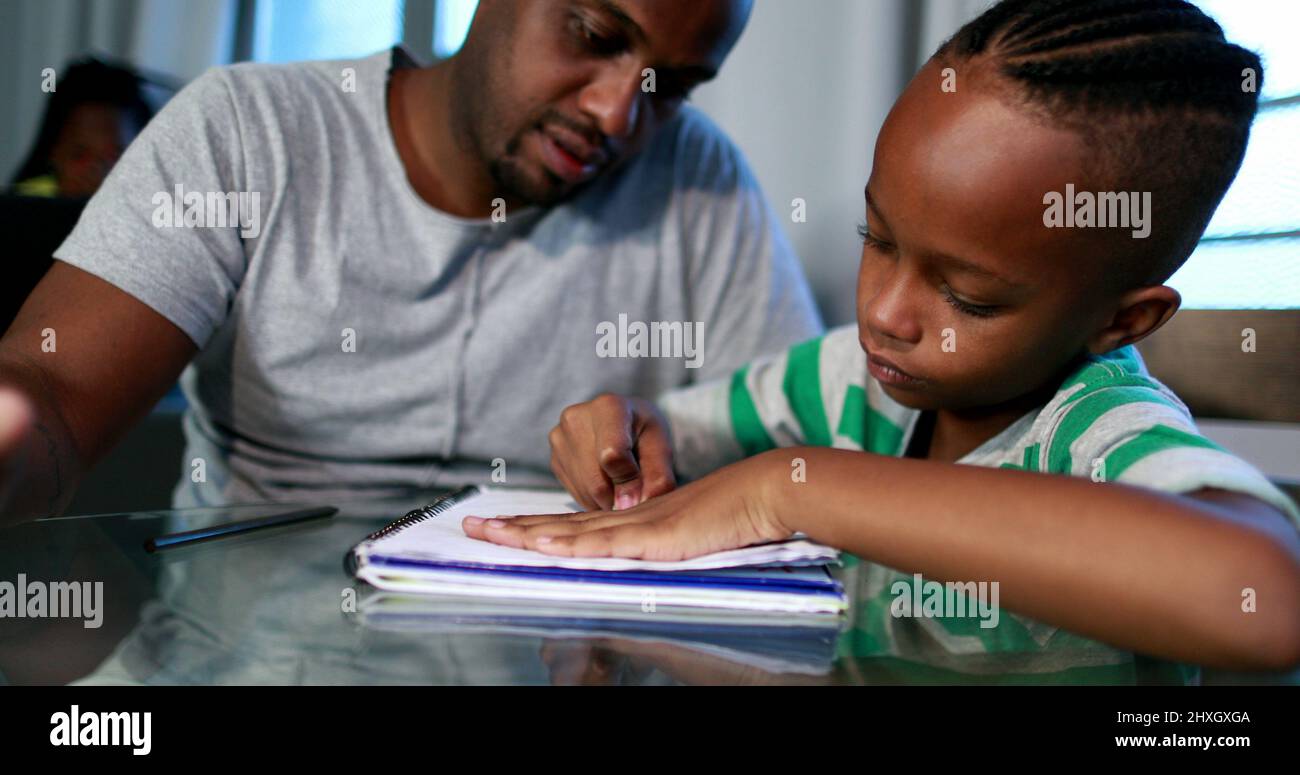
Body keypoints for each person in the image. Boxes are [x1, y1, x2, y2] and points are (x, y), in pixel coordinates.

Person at [465, 0, 1300, 671]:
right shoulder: (843, 380)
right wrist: (623, 431)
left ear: (1124, 319)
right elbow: (670, 433)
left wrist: (796, 488)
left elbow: (1261, 596)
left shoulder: (1098, 434)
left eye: (968, 297)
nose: (886, 315)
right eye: (879, 240)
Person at [0, 0, 822, 521]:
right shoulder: (249, 132)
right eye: (595, 32)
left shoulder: (697, 178)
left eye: (671, 86)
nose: (618, 114)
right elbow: (56, 401)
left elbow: (802, 437)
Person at [8, 57, 155, 198]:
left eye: (115, 156)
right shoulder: (18, 210)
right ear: (54, 154)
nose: (96, 170)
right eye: (80, 155)